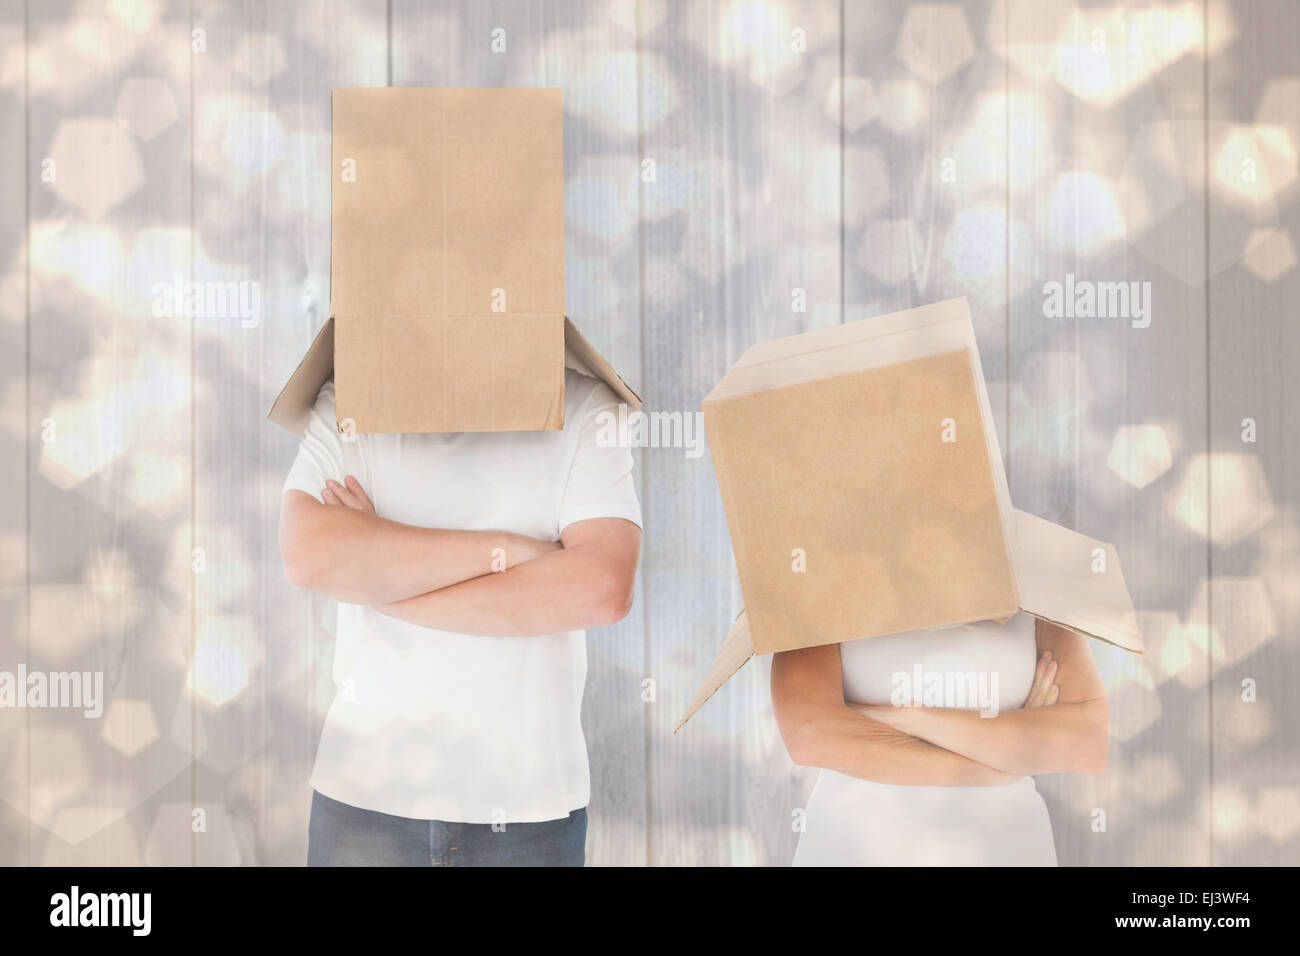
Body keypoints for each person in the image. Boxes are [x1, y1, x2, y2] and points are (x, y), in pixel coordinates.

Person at [279, 369, 642, 867]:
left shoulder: (586, 405)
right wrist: (513, 550)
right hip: (364, 806)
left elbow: (602, 589)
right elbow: (308, 555)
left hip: (529, 815)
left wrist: (384, 585)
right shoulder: (352, 397)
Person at [771, 613, 1108, 866]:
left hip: (1003, 846)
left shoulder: (1034, 576)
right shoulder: (821, 574)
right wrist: (999, 762)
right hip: (855, 846)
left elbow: (1086, 742)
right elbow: (809, 733)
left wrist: (914, 718)